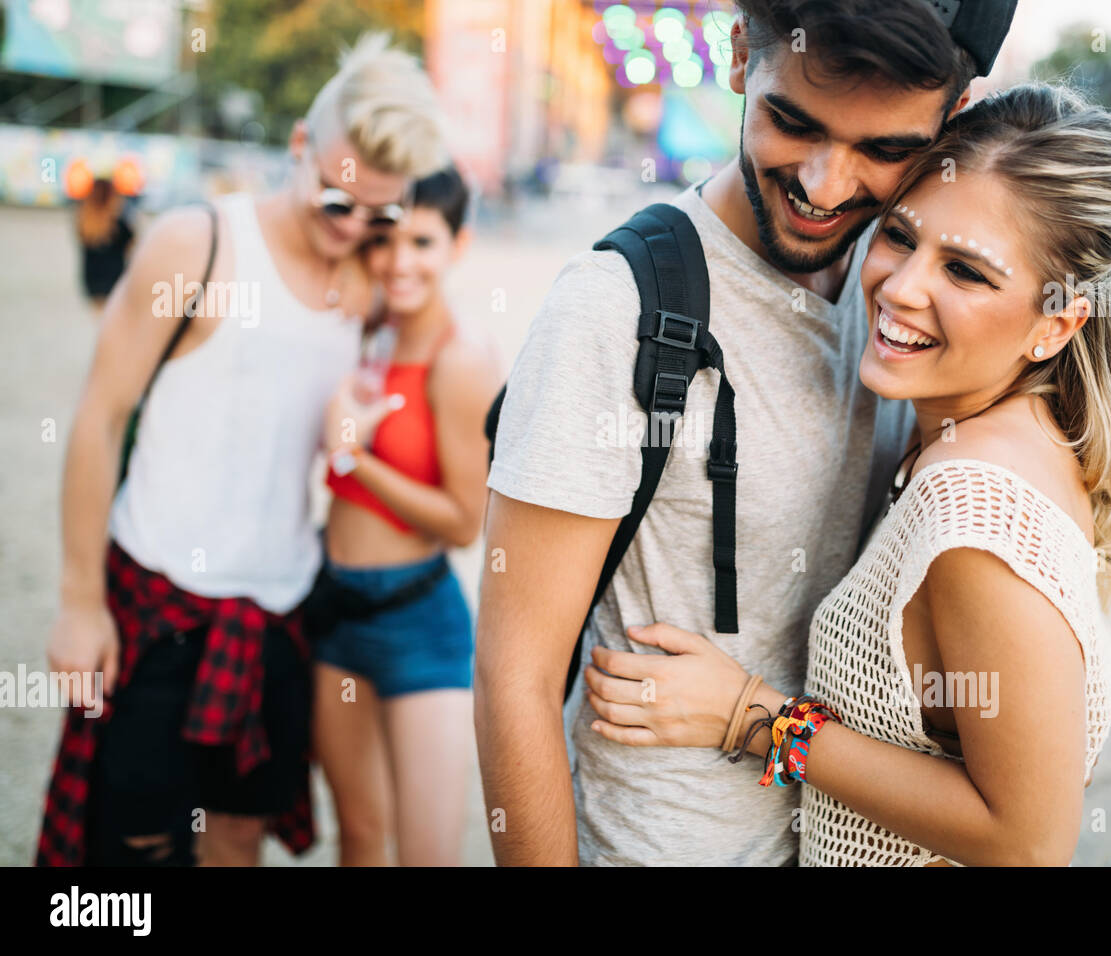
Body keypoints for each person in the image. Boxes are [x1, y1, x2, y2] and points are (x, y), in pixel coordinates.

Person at [476, 0, 1016, 866]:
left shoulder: (902, 287)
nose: (826, 186)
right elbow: (516, 680)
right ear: (739, 56)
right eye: (793, 122)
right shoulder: (613, 309)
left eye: (885, 150)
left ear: (950, 120)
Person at [585, 83, 1111, 866]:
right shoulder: (1014, 436)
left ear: (1054, 324)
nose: (901, 286)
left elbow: (1029, 841)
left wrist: (750, 717)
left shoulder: (975, 508)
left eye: (966, 272)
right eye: (900, 236)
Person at [37, 34, 446, 867]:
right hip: (158, 597)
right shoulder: (197, 244)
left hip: (279, 611)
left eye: (383, 214)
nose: (357, 228)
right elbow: (99, 416)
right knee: (135, 844)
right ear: (299, 144)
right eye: (339, 202)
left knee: (235, 834)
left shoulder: (366, 284)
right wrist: (80, 601)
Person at [311, 167, 502, 866]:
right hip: (335, 610)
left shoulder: (464, 360)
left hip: (417, 623)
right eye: (387, 238)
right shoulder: (361, 336)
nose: (400, 261)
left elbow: (461, 522)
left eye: (423, 242)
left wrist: (355, 459)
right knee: (357, 838)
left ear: (459, 244)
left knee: (426, 857)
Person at [76, 178, 134, 312]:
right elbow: (132, 246)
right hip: (115, 280)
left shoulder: (83, 220)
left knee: (100, 322)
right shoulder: (120, 221)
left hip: (92, 281)